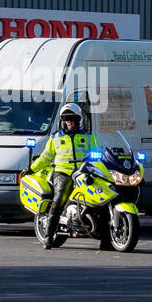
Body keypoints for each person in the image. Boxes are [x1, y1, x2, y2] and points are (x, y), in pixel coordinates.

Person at [29, 102, 100, 249]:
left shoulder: (88, 137)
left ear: (78, 120)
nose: (70, 122)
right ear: (63, 121)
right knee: (59, 197)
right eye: (67, 119)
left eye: (73, 119)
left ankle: (104, 236)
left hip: (83, 172)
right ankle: (48, 236)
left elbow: (98, 154)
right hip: (63, 173)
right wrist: (32, 169)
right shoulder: (56, 138)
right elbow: (46, 157)